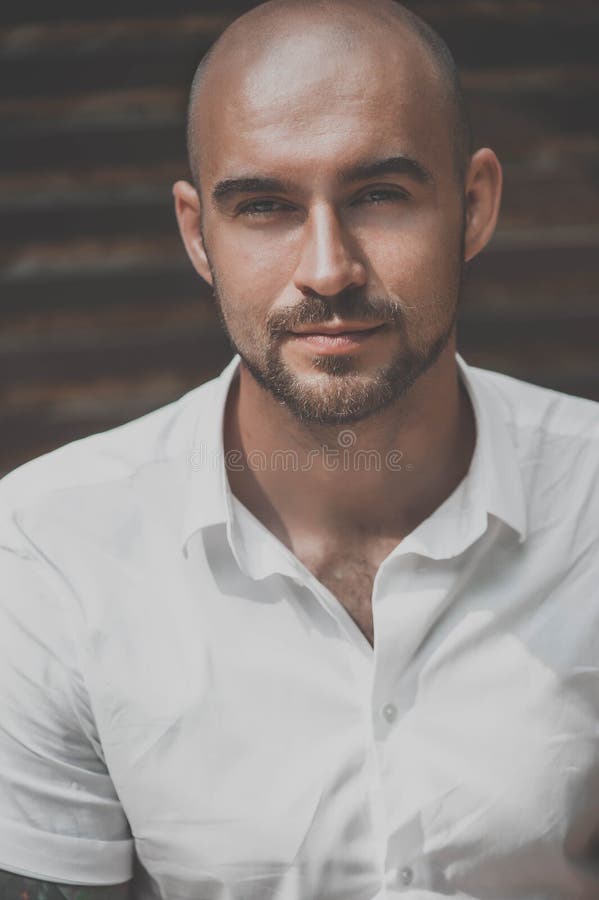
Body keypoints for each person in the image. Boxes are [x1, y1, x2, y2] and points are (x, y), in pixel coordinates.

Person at [1, 0, 598, 897]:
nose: (327, 268)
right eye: (265, 206)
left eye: (378, 195)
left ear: (473, 207)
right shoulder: (52, 548)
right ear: (198, 234)